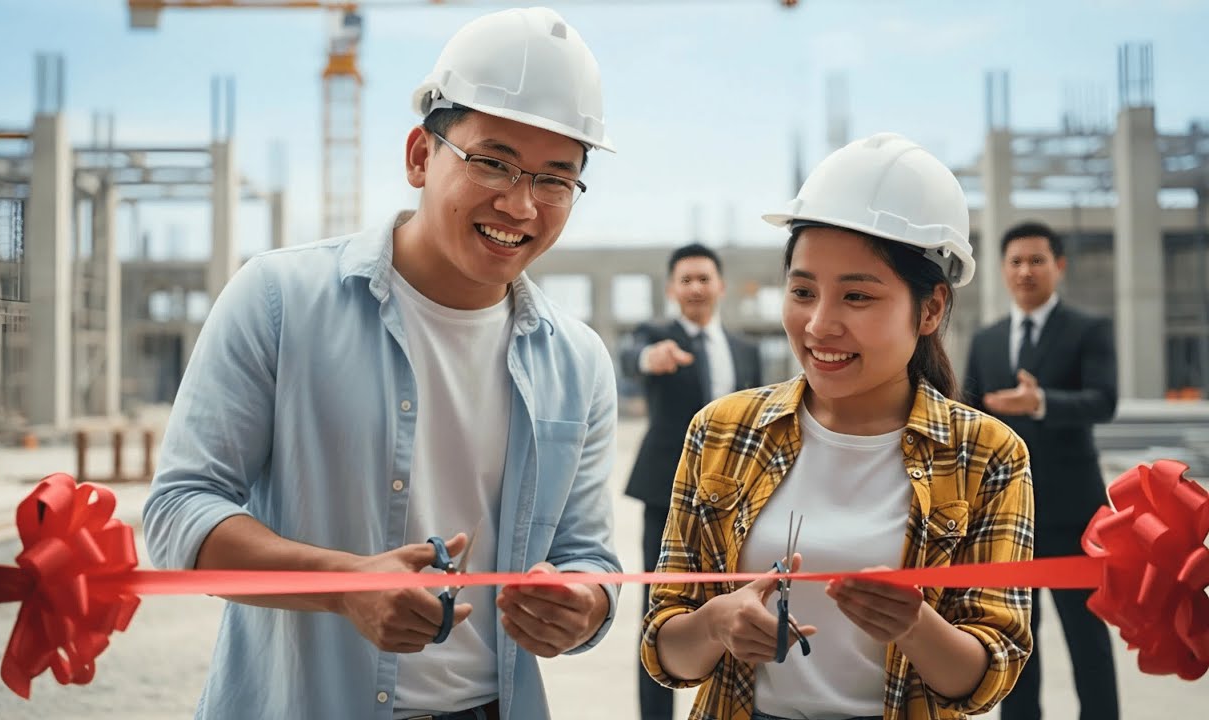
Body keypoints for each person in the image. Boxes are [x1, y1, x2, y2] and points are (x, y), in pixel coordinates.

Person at [142, 8, 622, 720]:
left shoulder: (577, 362)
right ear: (420, 157)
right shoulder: (279, 301)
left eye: (555, 179)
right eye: (492, 161)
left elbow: (589, 554)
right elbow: (177, 515)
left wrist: (582, 607)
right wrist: (340, 584)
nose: (520, 203)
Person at [640, 133, 1034, 720]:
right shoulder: (721, 432)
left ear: (929, 309)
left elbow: (987, 675)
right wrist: (716, 624)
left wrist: (915, 624)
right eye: (802, 291)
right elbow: (665, 648)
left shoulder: (987, 454)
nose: (819, 325)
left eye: (857, 296)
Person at [963, 221, 1119, 720]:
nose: (1025, 271)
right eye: (1015, 262)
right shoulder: (987, 340)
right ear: (1002, 270)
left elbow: (1104, 400)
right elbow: (968, 408)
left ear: (1059, 266)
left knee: (1087, 639)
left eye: (1036, 261)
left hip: (1075, 514)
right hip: (1008, 518)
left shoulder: (1088, 329)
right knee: (1015, 641)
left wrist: (1043, 402)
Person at [620, 242, 762, 720]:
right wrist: (648, 358)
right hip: (666, 494)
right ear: (671, 290)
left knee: (735, 606)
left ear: (720, 286)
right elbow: (631, 355)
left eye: (704, 279)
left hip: (736, 501)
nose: (696, 288)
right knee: (659, 612)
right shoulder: (656, 336)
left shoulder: (745, 350)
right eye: (686, 280)